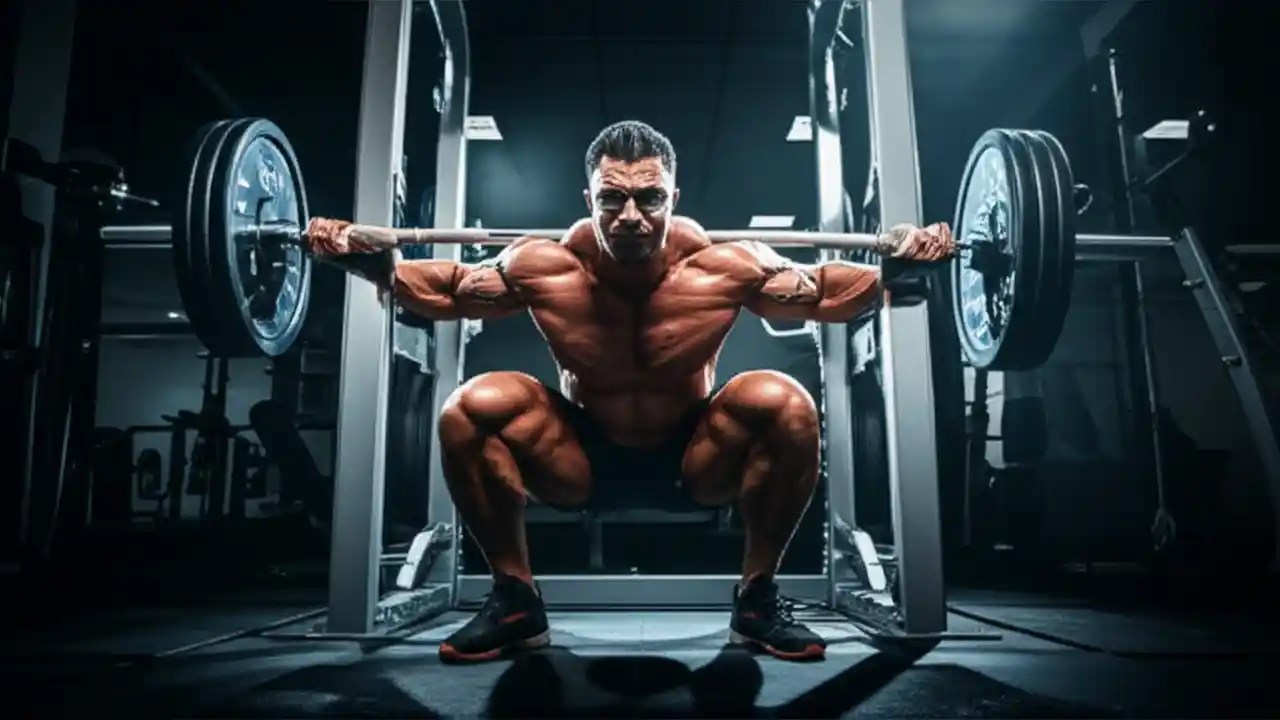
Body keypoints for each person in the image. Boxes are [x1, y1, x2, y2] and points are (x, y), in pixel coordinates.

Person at [306, 120, 954, 663]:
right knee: (472, 406)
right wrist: (370, 263)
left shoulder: (723, 266)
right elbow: (448, 289)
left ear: (675, 194)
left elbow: (817, 293)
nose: (633, 217)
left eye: (651, 198)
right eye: (612, 198)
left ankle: (756, 598)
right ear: (587, 195)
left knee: (785, 401)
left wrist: (898, 267)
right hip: (578, 458)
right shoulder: (545, 265)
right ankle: (515, 602)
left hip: (694, 458)